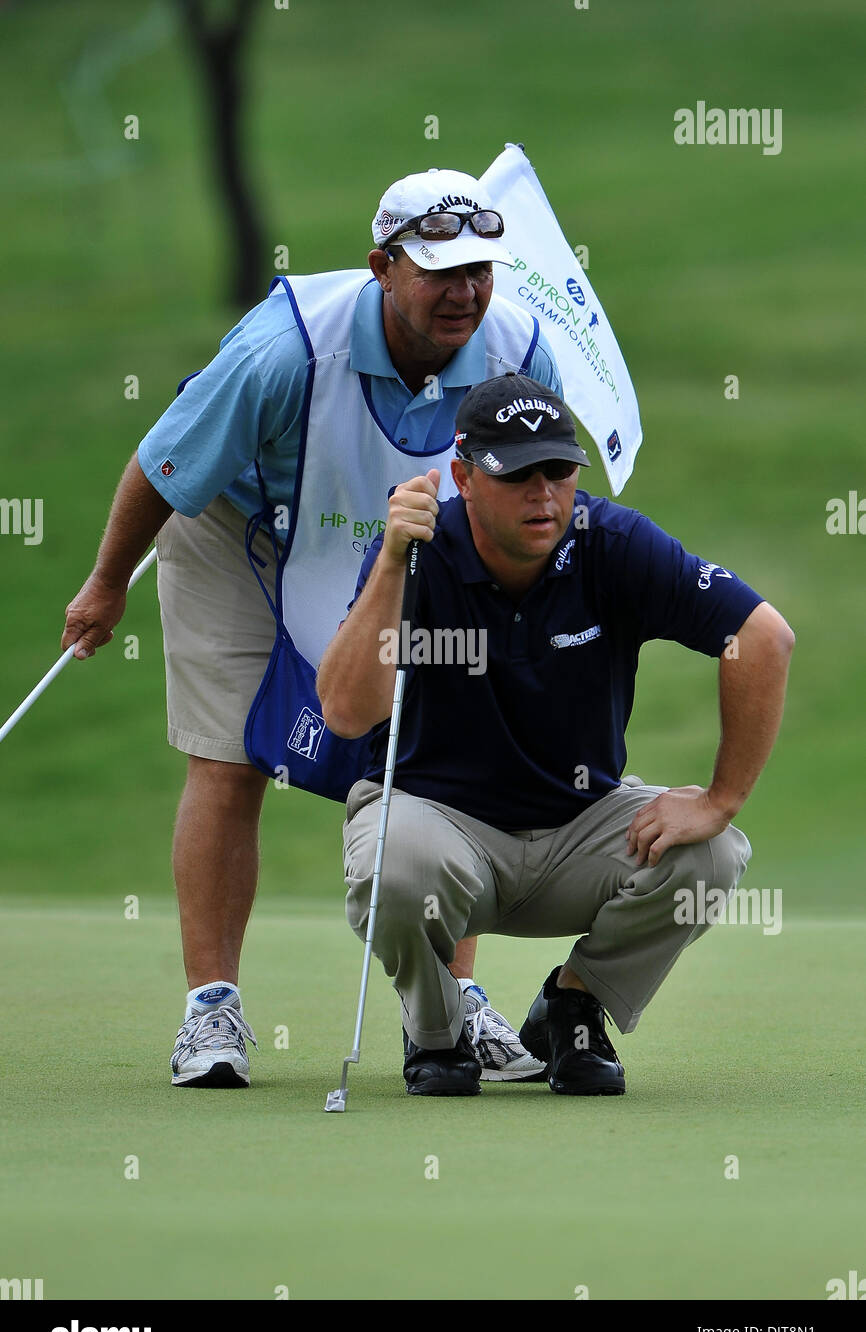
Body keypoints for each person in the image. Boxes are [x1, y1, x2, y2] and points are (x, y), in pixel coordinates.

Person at [60, 169, 560, 1086]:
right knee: (227, 755)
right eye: (439, 271)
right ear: (382, 268)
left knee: (452, 755)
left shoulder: (518, 348)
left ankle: (447, 1009)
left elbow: (536, 493)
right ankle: (211, 1011)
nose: (465, 292)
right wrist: (104, 586)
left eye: (480, 269)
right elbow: (163, 465)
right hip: (239, 530)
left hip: (409, 539)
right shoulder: (284, 349)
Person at [317, 373, 795, 1097]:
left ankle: (572, 1009)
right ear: (464, 479)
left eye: (559, 471)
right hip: (443, 829)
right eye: (519, 475)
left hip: (580, 829)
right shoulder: (419, 553)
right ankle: (437, 1029)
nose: (544, 494)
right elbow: (348, 713)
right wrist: (388, 563)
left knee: (713, 855)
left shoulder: (613, 543)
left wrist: (720, 798)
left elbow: (762, 638)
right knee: (394, 863)